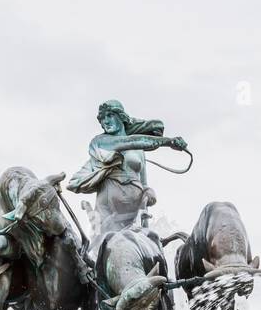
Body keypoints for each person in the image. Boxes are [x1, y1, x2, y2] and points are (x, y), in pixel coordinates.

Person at [68, 100, 188, 247]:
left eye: (110, 115)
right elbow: (134, 140)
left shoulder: (139, 152)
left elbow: (144, 183)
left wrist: (149, 194)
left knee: (151, 249)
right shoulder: (102, 142)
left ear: (121, 117)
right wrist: (168, 142)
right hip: (108, 215)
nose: (106, 121)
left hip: (136, 215)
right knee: (105, 249)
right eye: (103, 118)